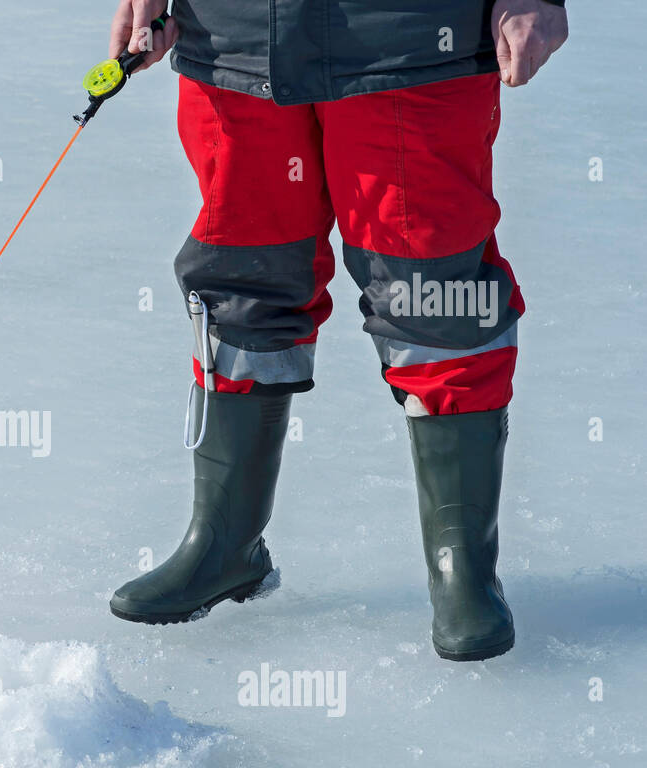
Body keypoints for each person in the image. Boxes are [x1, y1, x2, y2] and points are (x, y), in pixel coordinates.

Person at [106, 0, 569, 661]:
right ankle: (225, 541)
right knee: (242, 273)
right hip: (234, 37)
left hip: (408, 39)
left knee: (434, 291)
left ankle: (460, 566)